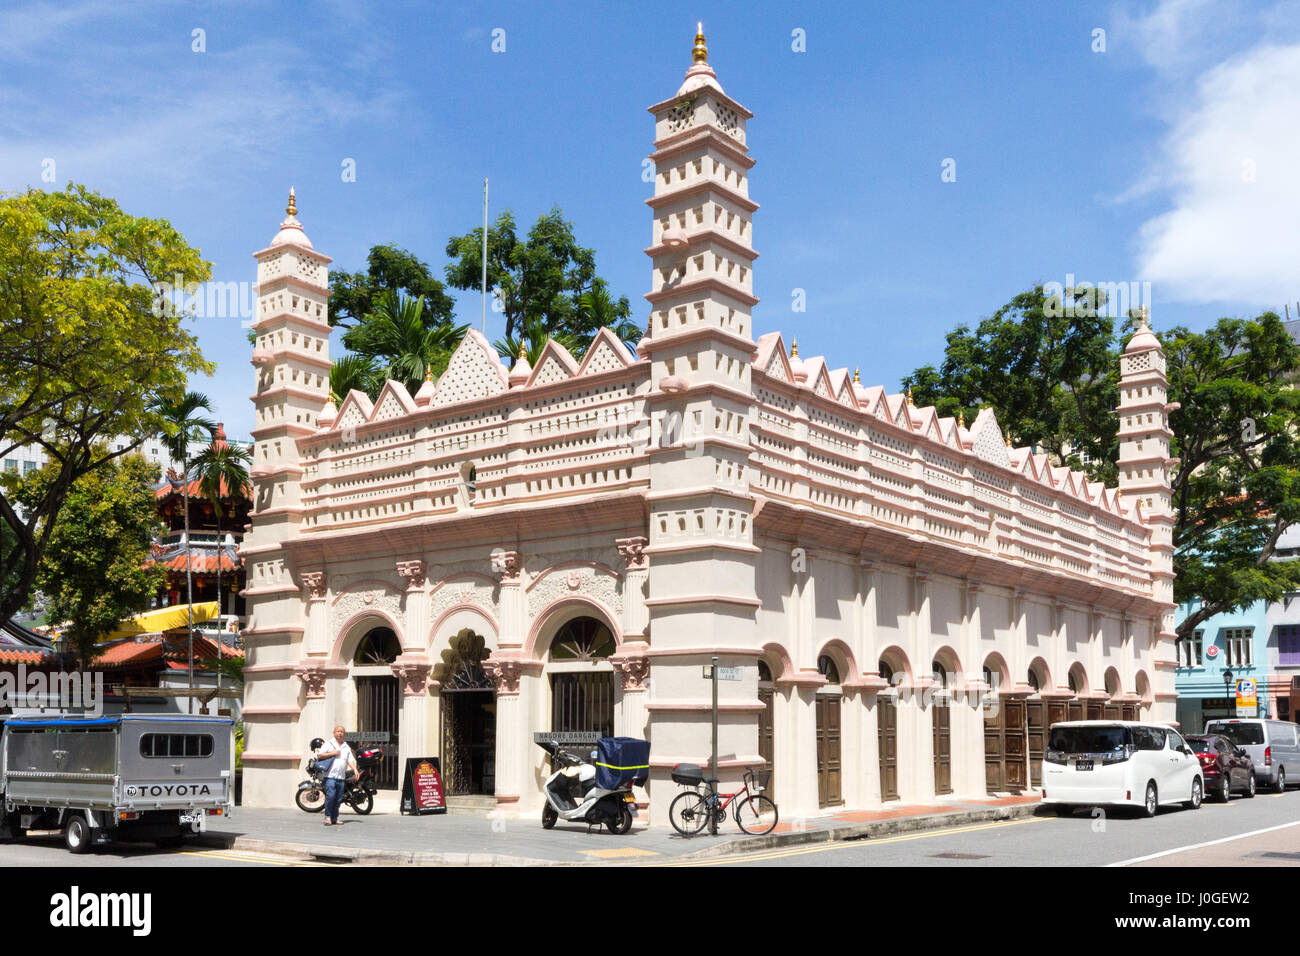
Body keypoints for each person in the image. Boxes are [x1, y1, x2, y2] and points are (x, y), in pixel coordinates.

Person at [315, 725, 358, 826]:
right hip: (330, 776)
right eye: (338, 731)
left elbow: (350, 760)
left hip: (341, 777)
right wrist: (333, 753)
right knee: (331, 796)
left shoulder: (346, 746)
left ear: (344, 734)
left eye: (342, 732)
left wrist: (355, 769)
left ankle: (335, 817)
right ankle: (328, 817)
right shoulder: (328, 744)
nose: (340, 733)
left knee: (338, 799)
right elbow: (320, 755)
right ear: (334, 733)